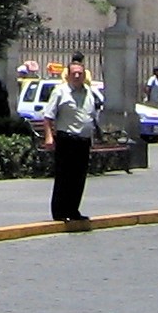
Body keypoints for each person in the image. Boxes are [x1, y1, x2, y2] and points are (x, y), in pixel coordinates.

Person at [40, 54, 102, 223]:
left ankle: (73, 210)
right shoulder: (61, 92)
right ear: (67, 74)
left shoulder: (88, 92)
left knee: (79, 177)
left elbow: (91, 115)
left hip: (83, 140)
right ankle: (60, 212)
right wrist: (49, 137)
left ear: (84, 75)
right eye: (74, 73)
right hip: (67, 139)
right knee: (64, 176)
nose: (77, 76)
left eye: (80, 73)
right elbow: (48, 116)